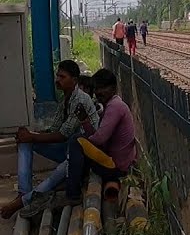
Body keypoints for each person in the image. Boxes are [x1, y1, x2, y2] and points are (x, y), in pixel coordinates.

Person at [1, 61, 99, 218]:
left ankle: (22, 202)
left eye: (62, 76)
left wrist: (32, 135)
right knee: (25, 142)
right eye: (57, 76)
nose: (57, 80)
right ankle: (23, 192)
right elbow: (54, 130)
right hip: (69, 148)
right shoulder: (66, 99)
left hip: (84, 154)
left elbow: (63, 135)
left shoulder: (81, 100)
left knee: (57, 173)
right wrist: (30, 134)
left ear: (74, 80)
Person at [35, 69, 136, 213]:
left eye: (102, 88)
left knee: (76, 141)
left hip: (117, 166)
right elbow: (97, 137)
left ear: (113, 88)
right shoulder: (111, 105)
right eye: (96, 89)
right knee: (79, 142)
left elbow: (100, 139)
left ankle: (73, 194)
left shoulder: (115, 107)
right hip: (114, 161)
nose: (98, 92)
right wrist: (84, 121)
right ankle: (71, 183)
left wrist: (84, 142)